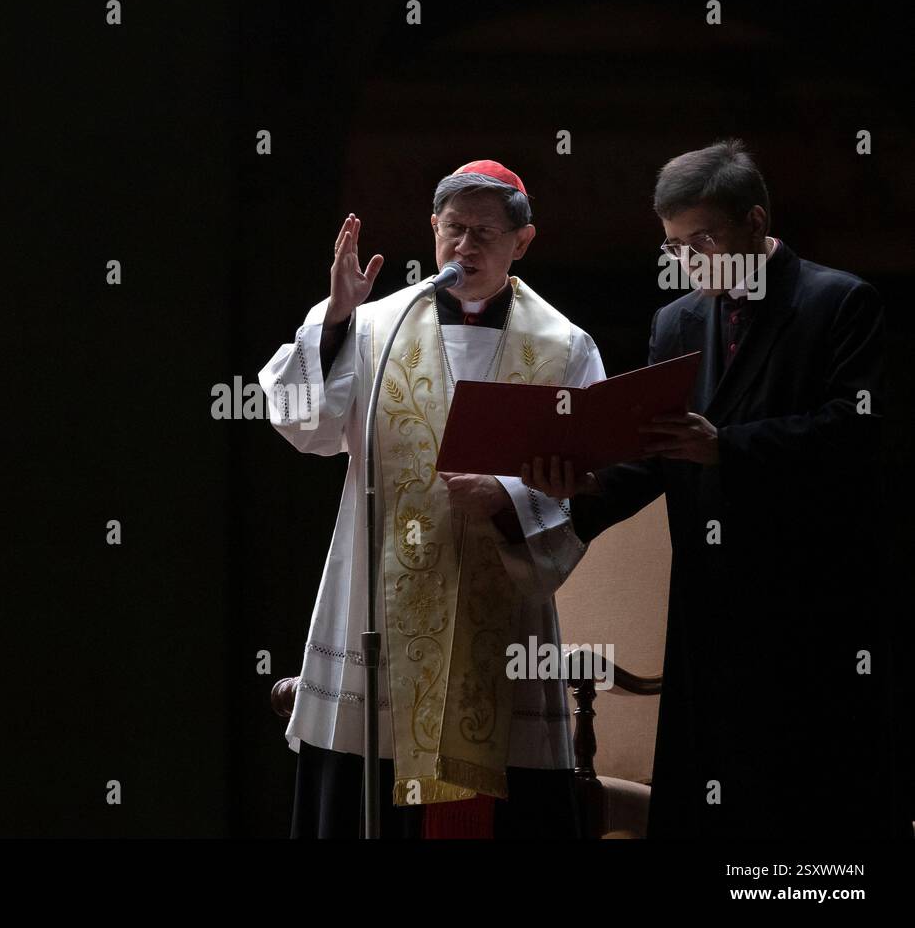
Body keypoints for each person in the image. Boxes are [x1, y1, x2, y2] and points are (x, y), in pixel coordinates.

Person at [523, 139, 911, 838]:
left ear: (756, 221)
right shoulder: (676, 323)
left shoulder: (838, 301)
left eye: (702, 241)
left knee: (809, 812)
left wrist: (726, 447)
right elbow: (652, 457)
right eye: (675, 246)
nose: (689, 262)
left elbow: (859, 434)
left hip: (812, 603)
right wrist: (568, 491)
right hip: (711, 605)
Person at [259, 160, 606, 838]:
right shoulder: (372, 328)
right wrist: (333, 320)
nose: (465, 248)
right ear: (432, 231)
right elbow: (305, 425)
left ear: (522, 242)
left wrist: (507, 499)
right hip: (379, 611)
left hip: (499, 621)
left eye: (484, 232)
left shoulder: (563, 347)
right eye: (453, 230)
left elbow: (590, 477)